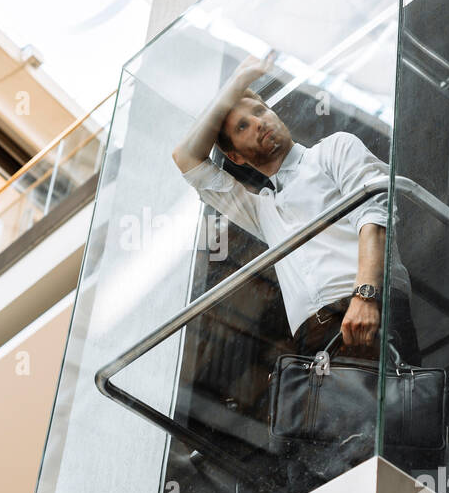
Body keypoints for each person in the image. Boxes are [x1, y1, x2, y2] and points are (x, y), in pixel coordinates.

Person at [171, 51, 421, 367]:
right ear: (235, 157)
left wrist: (365, 295)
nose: (259, 123)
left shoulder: (333, 149)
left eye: (260, 111)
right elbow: (186, 158)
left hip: (365, 305)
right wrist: (236, 83)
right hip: (311, 340)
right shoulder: (262, 210)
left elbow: (375, 212)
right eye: (243, 126)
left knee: (398, 409)